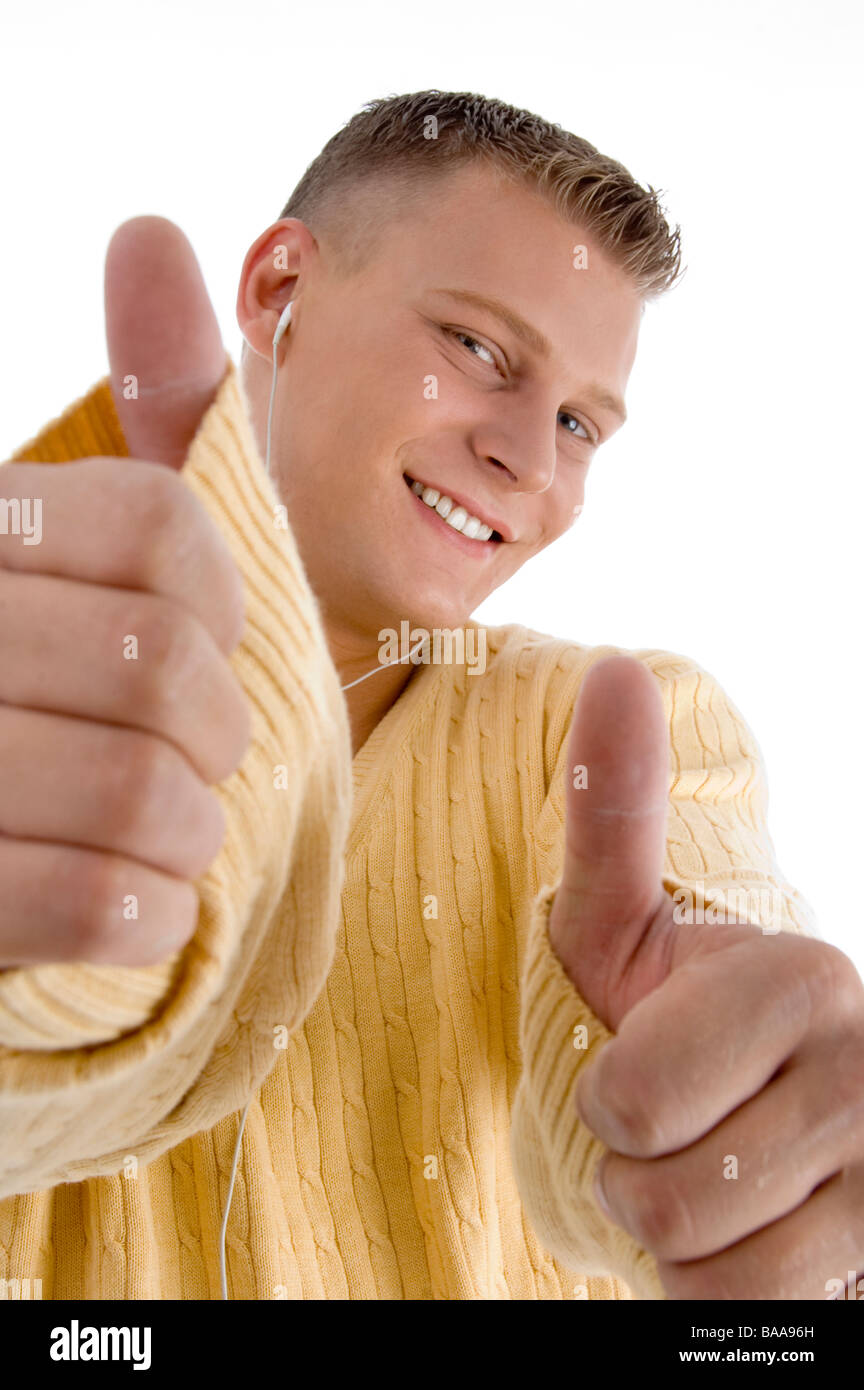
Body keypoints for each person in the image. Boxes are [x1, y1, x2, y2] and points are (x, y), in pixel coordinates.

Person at [0, 90, 861, 1303]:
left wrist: (733, 1121)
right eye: (477, 349)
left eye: (578, 421)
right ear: (276, 291)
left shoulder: (619, 733)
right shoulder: (28, 676)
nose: (529, 456)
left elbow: (641, 1117)